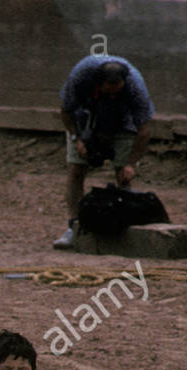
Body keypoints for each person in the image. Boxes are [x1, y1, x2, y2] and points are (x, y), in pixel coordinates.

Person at [54, 56, 154, 249]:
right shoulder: (79, 77)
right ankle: (74, 227)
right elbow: (66, 111)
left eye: (117, 92)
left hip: (123, 121)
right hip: (85, 118)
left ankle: (124, 228)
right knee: (76, 170)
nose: (113, 97)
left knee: (123, 176)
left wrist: (131, 164)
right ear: (97, 84)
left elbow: (144, 130)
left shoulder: (136, 87)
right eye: (108, 92)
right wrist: (77, 139)